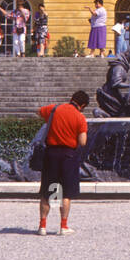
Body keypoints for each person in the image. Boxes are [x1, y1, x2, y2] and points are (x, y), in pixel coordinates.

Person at [36, 91, 89, 234]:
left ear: (72, 99)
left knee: (47, 191)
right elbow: (82, 142)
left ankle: (42, 226)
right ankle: (63, 226)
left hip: (51, 154)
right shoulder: (80, 117)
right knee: (66, 193)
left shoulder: (54, 109)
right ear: (82, 105)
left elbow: (39, 112)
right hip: (68, 156)